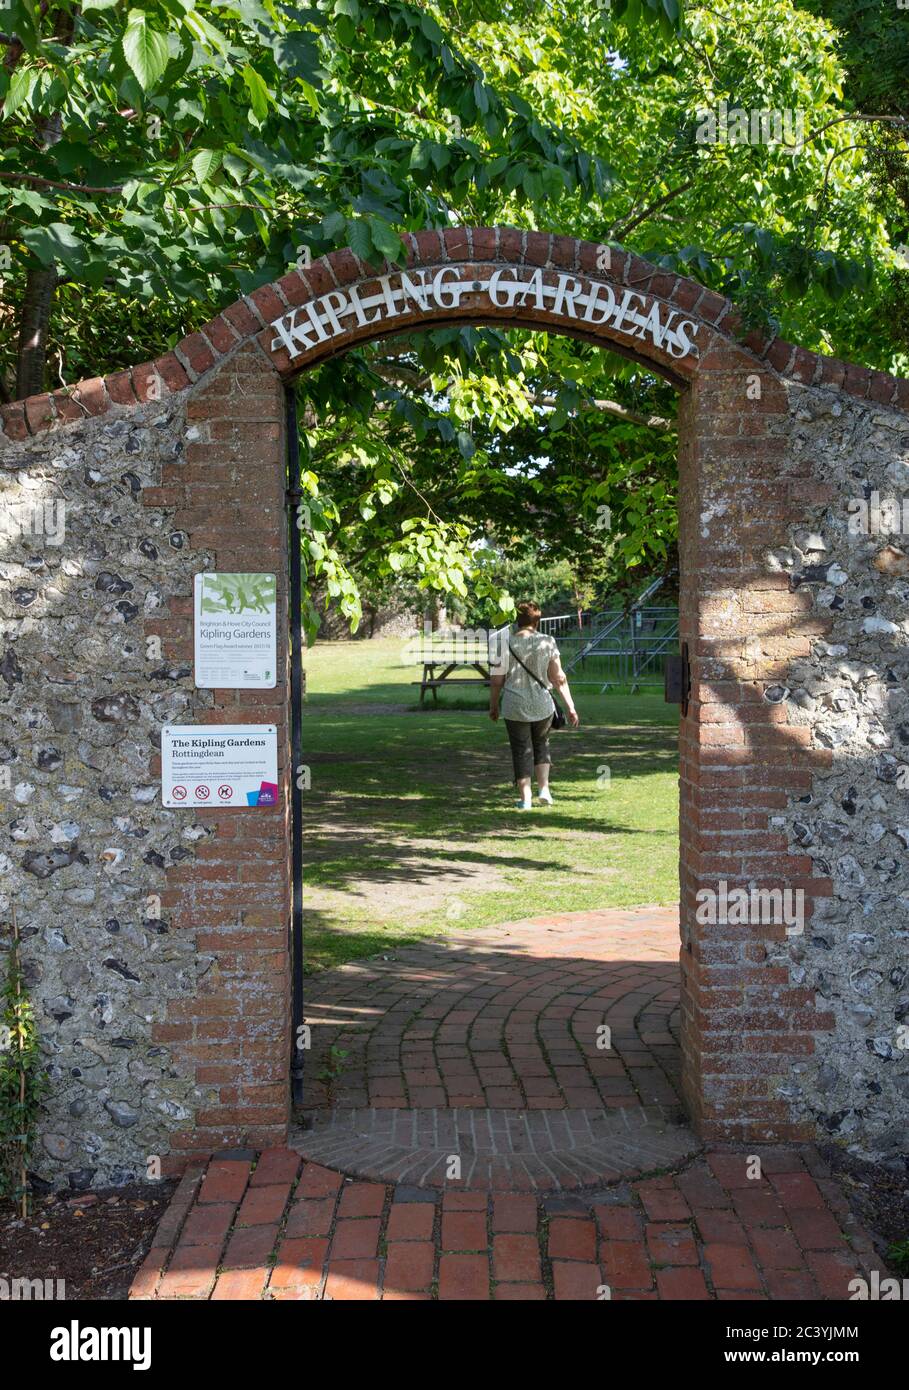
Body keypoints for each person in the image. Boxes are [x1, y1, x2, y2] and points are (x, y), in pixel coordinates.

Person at [489, 600, 579, 810]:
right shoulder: (548, 642)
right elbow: (559, 678)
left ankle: (525, 798)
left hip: (514, 704)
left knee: (520, 749)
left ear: (516, 620)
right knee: (541, 744)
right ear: (537, 621)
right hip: (542, 703)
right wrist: (570, 706)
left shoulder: (506, 644)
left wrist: (493, 706)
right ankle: (544, 789)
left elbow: (496, 681)